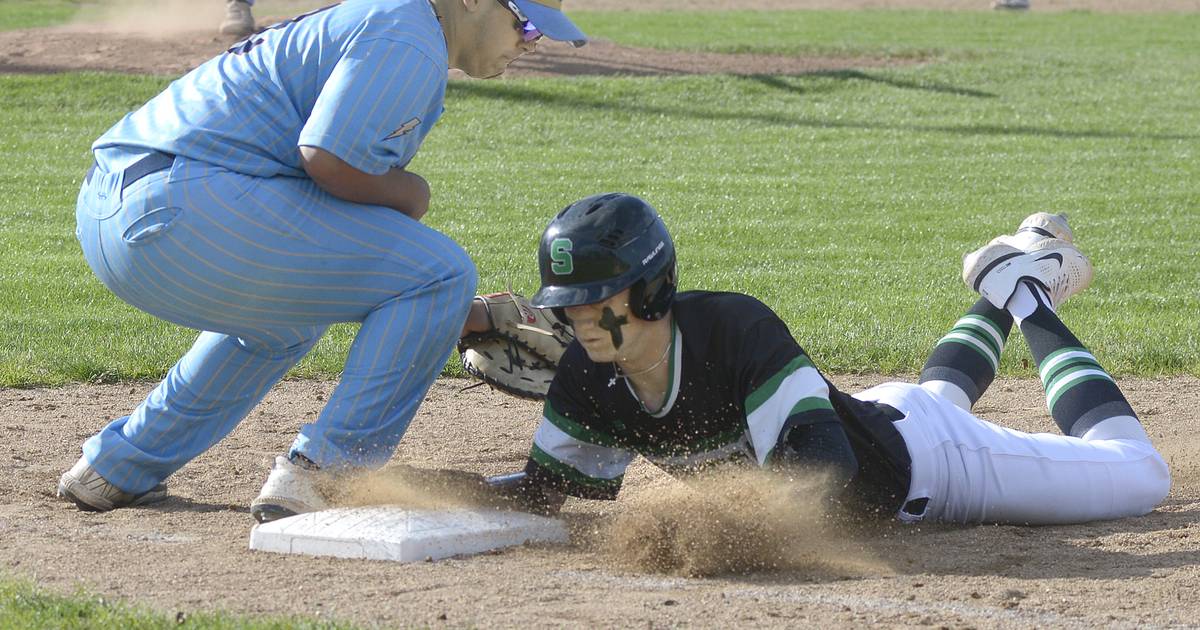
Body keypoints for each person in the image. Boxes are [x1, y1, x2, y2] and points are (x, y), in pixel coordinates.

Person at [56, 0, 588, 523]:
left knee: (282, 325)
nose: (529, 42)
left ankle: (118, 467)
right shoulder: (409, 34)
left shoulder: (387, 19)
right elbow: (330, 163)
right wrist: (414, 196)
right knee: (441, 275)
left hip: (119, 213)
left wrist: (458, 314)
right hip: (186, 209)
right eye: (528, 24)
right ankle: (327, 470)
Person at [488, 193, 1170, 525]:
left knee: (1141, 477)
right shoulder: (587, 376)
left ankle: (1026, 288)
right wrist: (434, 494)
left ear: (654, 287)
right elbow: (547, 494)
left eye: (598, 299)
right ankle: (1006, 279)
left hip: (942, 468)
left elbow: (826, 472)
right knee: (929, 398)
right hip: (888, 418)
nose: (580, 320)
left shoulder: (732, 328)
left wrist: (703, 530)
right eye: (569, 305)